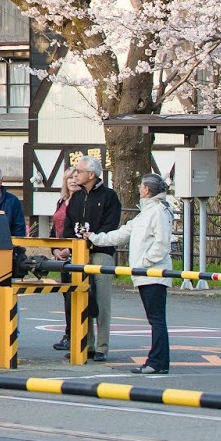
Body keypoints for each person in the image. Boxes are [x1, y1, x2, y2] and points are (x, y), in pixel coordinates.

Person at [88, 172, 175, 375]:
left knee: (156, 319)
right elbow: (123, 233)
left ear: (147, 189)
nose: (139, 190)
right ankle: (158, 361)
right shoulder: (146, 212)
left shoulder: (159, 211)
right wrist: (94, 237)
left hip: (153, 273)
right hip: (144, 273)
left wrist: (143, 263)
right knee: (155, 318)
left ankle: (158, 362)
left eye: (141, 187)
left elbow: (161, 244)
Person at [64, 154, 122, 362]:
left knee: (101, 301)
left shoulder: (109, 196)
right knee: (80, 297)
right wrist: (70, 244)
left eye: (79, 171)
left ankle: (102, 346)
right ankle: (85, 342)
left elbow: (110, 225)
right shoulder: (77, 197)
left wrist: (92, 242)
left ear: (91, 174)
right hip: (78, 253)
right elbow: (68, 222)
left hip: (101, 253)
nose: (76, 174)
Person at [50, 168, 77, 352]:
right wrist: (55, 249)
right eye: (70, 178)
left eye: (77, 177)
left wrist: (70, 249)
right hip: (61, 255)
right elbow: (54, 230)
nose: (74, 181)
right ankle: (68, 333)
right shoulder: (61, 201)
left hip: (76, 253)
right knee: (65, 294)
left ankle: (75, 334)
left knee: (76, 297)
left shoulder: (83, 202)